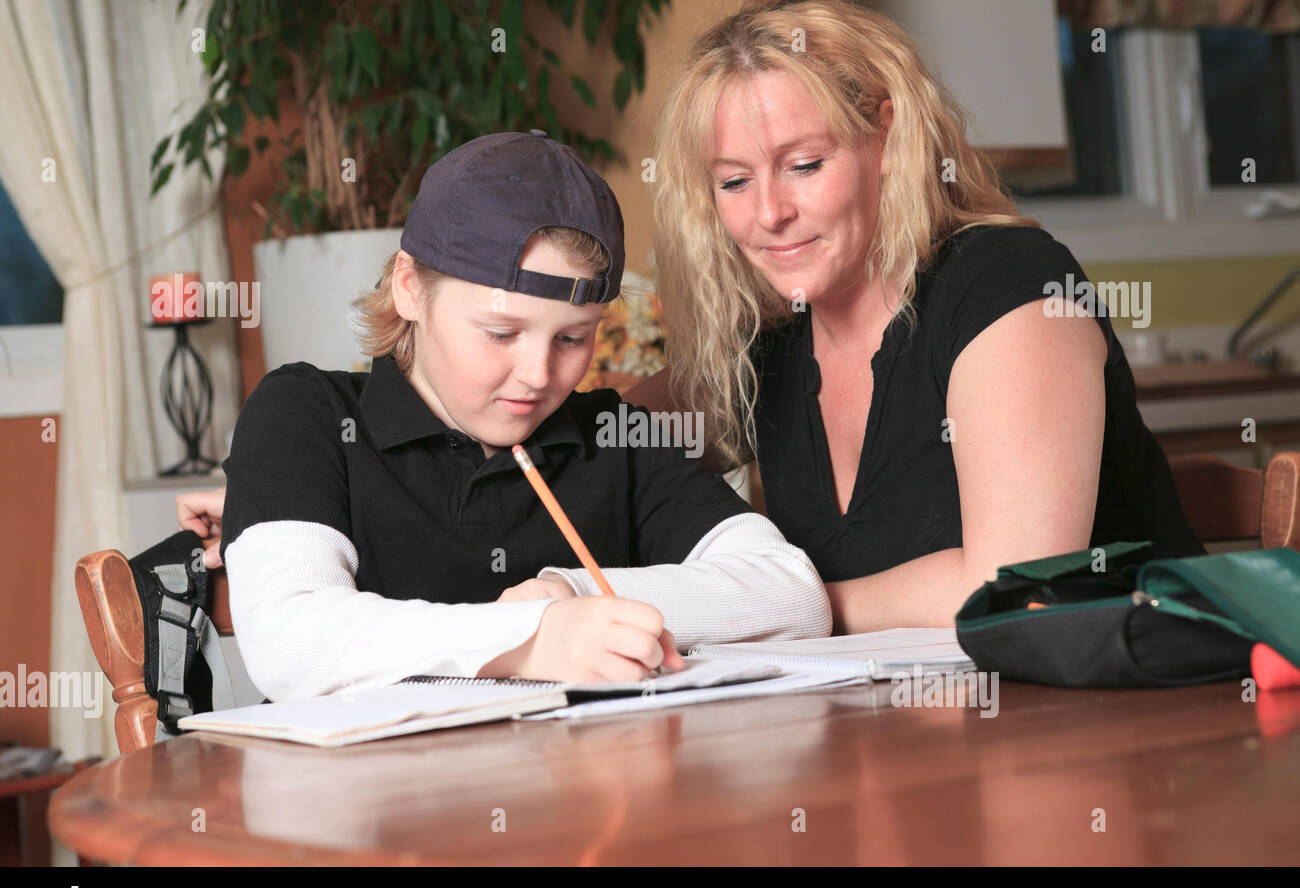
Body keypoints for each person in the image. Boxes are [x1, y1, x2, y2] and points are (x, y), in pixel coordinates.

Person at [182, 0, 1202, 637]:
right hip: (892, 732)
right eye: (733, 179)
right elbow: (578, 435)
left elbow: (1014, 582)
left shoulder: (1005, 281)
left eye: (805, 164)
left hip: (1111, 723)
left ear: (885, 136)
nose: (769, 213)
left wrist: (797, 600)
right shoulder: (765, 338)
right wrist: (299, 486)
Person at [206, 130, 830, 701]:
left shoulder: (610, 437)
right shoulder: (306, 415)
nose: (539, 376)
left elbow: (795, 597)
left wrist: (575, 594)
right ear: (409, 289)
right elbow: (293, 643)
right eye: (501, 333)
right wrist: (532, 637)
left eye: (572, 339)